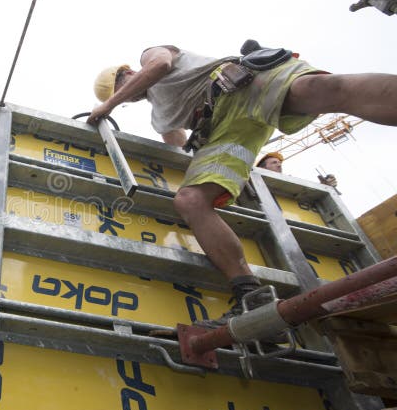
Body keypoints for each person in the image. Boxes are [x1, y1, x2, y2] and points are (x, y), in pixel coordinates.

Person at [89, 44, 397, 328]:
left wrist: (109, 106)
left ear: (127, 73)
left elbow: (160, 65)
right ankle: (250, 295)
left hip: (243, 83)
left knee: (322, 90)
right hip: (225, 131)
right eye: (120, 96)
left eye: (121, 88)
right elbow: (178, 149)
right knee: (191, 199)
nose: (127, 95)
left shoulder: (151, 55)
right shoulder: (160, 117)